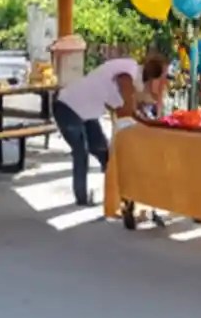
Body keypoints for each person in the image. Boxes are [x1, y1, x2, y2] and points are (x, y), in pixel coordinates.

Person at [52, 54, 168, 206]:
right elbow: (128, 109)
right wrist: (151, 123)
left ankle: (117, 196)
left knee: (104, 152)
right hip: (67, 106)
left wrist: (148, 117)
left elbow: (124, 111)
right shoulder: (128, 74)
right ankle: (82, 198)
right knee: (81, 151)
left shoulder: (130, 76)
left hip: (87, 114)